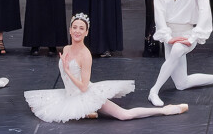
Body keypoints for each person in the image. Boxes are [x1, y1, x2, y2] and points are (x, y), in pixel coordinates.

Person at [26, 14, 188, 121]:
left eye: (81, 28)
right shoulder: (66, 49)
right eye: (74, 27)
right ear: (69, 29)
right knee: (37, 107)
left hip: (86, 94)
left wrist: (68, 71)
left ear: (86, 33)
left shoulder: (85, 55)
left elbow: (83, 87)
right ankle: (88, 112)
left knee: (124, 115)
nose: (77, 31)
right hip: (70, 94)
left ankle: (165, 110)